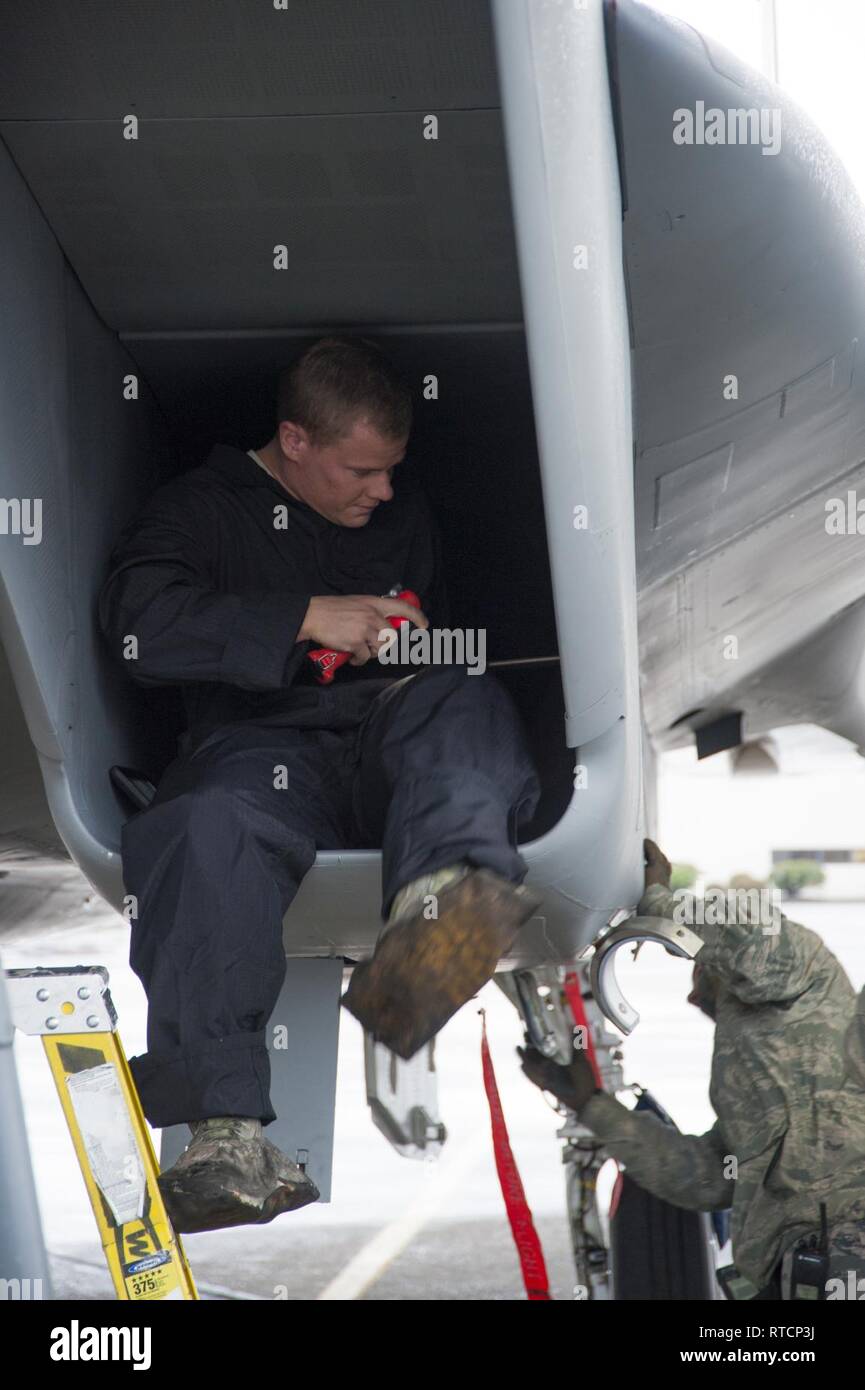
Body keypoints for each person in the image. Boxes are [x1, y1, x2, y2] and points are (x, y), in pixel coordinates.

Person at [99, 336, 541, 1234]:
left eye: (390, 472)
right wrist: (302, 618)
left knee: (462, 698)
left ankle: (433, 933)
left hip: (386, 739)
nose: (381, 491)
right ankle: (221, 1133)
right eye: (362, 470)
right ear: (295, 441)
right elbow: (140, 627)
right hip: (259, 754)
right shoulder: (199, 510)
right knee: (202, 825)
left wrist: (407, 634)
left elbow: (434, 638)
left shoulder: (401, 511)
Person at [520, 839, 865, 1299]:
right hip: (787, 1281)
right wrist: (591, 1106)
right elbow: (705, 1175)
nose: (690, 995)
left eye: (696, 974)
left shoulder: (805, 970)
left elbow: (749, 937)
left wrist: (658, 900)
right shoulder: (758, 1078)